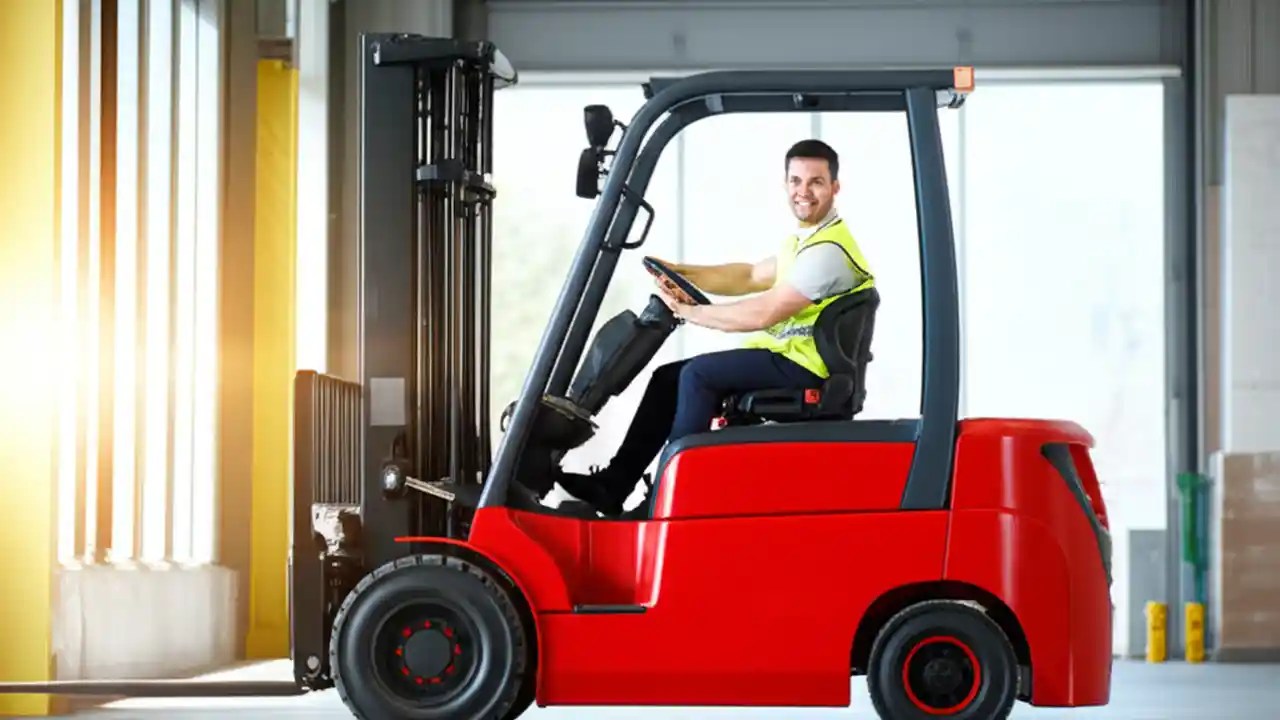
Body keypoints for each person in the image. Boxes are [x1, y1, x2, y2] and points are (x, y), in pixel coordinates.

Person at [556, 138, 876, 517]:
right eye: (795, 181)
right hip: (787, 357)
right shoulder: (805, 241)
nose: (803, 192)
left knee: (698, 376)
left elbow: (764, 313)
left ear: (834, 187)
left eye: (816, 182)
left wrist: (691, 312)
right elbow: (750, 275)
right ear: (786, 184)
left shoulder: (828, 253)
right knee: (668, 377)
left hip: (807, 367)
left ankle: (668, 500)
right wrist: (680, 271)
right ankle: (613, 484)